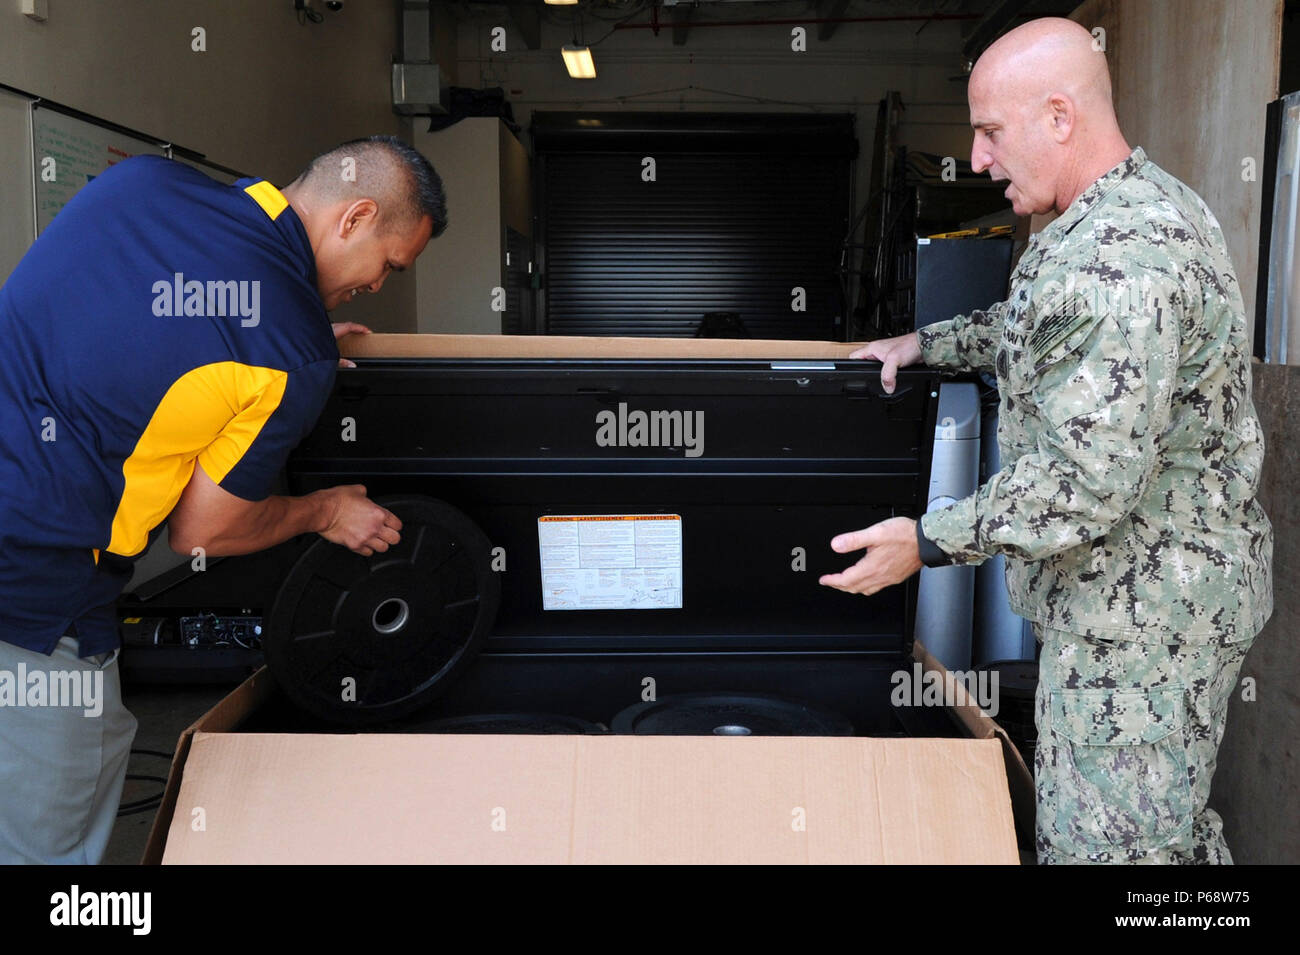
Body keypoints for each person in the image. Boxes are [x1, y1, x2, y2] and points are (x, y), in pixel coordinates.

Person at [820, 18, 1273, 864]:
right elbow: (1040, 329)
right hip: (1137, 611)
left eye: (991, 132)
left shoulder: (1124, 255)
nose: (978, 159)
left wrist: (925, 540)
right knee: (1156, 846)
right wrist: (927, 343)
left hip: (1144, 632)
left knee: (1115, 861)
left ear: (1059, 117)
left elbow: (1083, 483)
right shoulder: (1113, 216)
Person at [0, 135, 446, 863]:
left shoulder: (141, 182)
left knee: (98, 743)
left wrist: (283, 335)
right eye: (389, 266)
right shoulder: (283, 349)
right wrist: (325, 510)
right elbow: (205, 533)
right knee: (43, 836)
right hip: (31, 585)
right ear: (356, 216)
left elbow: (138, 321)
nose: (377, 287)